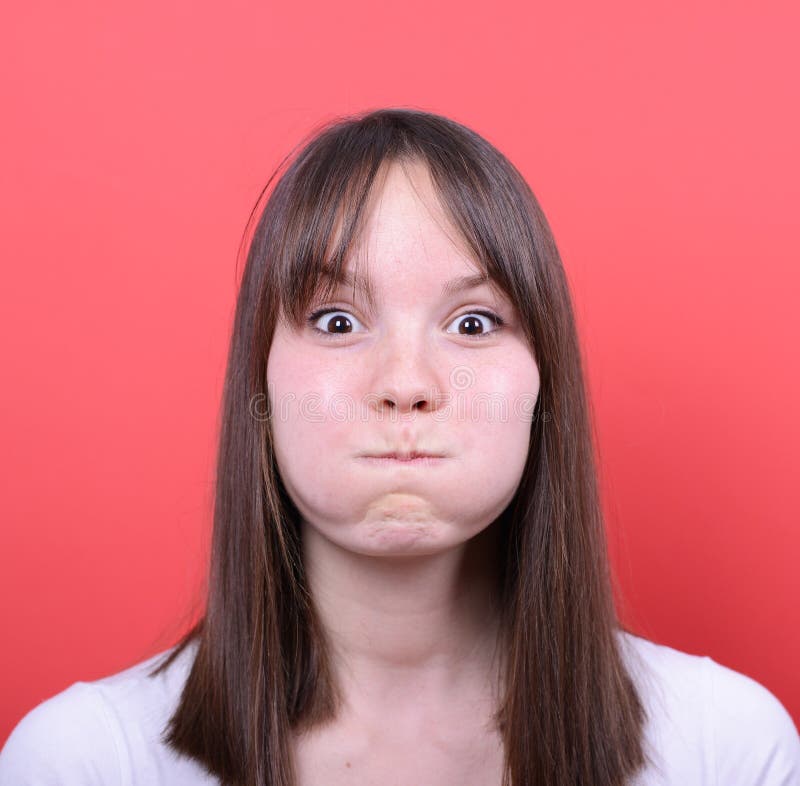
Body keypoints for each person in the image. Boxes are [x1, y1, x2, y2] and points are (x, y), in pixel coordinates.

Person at [1, 107, 798, 786]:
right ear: (262, 385)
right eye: (337, 321)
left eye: (474, 323)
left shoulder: (724, 751)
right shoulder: (86, 762)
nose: (406, 383)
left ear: (542, 386)